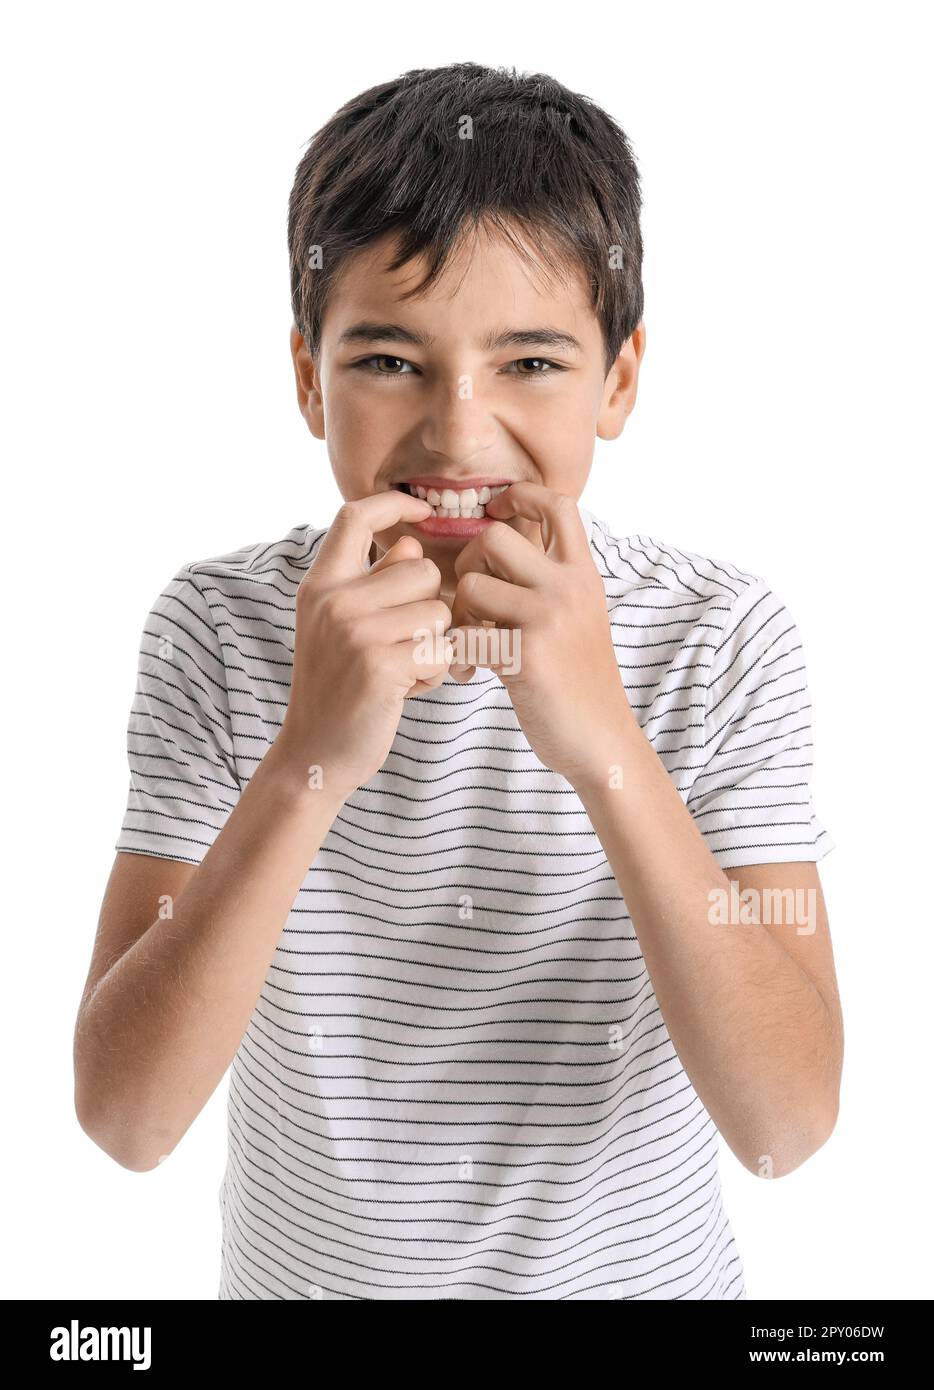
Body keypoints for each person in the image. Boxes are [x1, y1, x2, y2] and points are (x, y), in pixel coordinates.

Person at [74, 62, 843, 1300]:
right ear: (307, 376)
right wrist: (308, 757)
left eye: (531, 362)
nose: (458, 432)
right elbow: (127, 1120)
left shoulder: (719, 635)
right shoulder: (216, 630)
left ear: (621, 380)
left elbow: (787, 1125)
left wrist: (603, 741)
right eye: (388, 359)